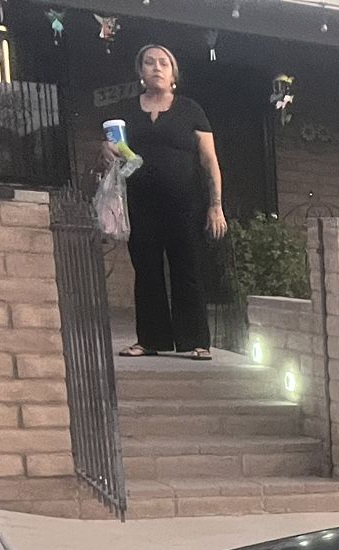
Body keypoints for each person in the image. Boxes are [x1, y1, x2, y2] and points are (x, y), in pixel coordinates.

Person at [108, 44, 226, 359]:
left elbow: (209, 160)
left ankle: (196, 341)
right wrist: (106, 151)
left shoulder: (190, 109)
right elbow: (110, 151)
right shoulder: (127, 111)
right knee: (145, 269)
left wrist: (216, 206)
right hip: (141, 204)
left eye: (163, 63)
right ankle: (150, 340)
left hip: (186, 204)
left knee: (187, 268)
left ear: (173, 73)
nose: (156, 68)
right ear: (140, 72)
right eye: (149, 63)